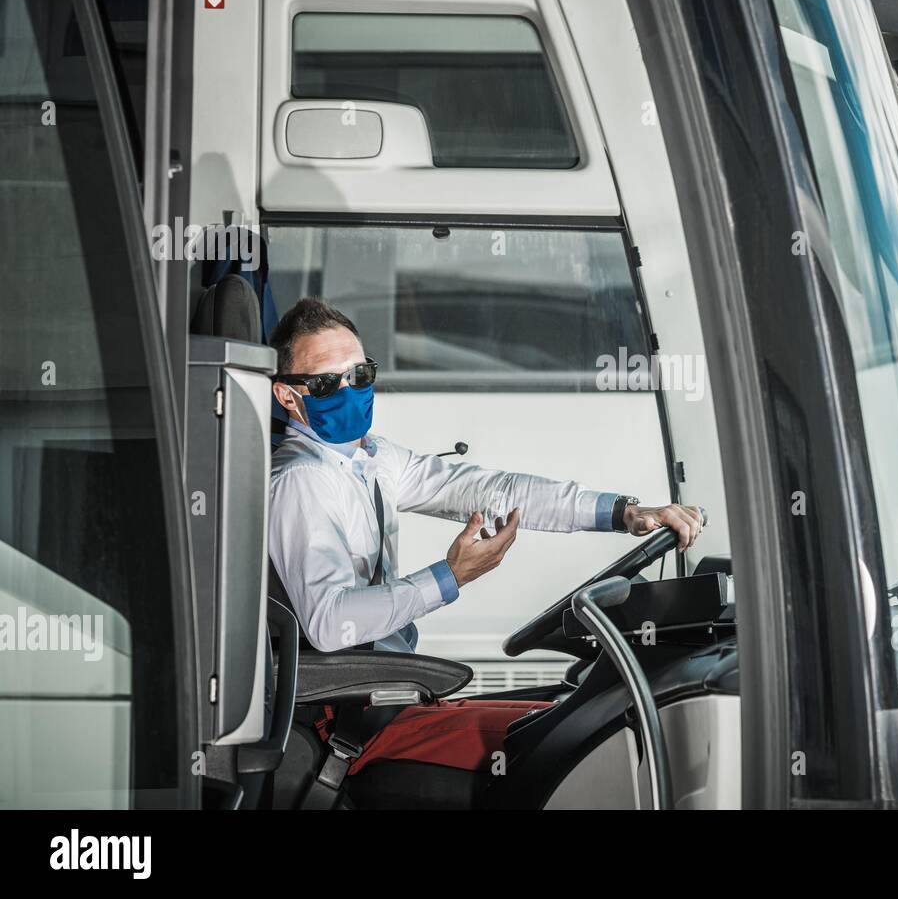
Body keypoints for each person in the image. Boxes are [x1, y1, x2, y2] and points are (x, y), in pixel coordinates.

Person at [267, 297, 703, 781]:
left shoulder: (368, 458)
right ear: (289, 397)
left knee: (568, 714)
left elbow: (490, 489)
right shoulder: (301, 480)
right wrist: (450, 576)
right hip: (355, 723)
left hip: (387, 696)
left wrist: (624, 512)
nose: (350, 392)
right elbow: (330, 624)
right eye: (328, 383)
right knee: (571, 743)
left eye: (361, 376)